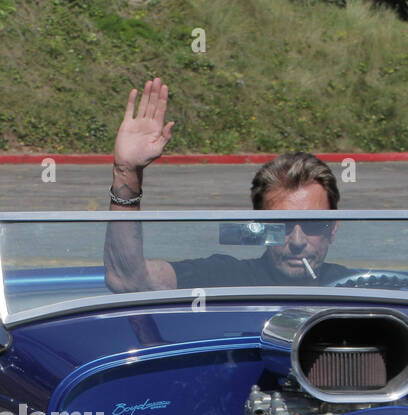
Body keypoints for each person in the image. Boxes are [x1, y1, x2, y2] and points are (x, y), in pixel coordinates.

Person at [104, 77, 350, 292]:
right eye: (282, 224)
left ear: (334, 228)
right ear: (260, 227)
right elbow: (127, 280)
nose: (297, 241)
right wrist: (127, 173)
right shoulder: (225, 279)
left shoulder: (359, 287)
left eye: (313, 223)